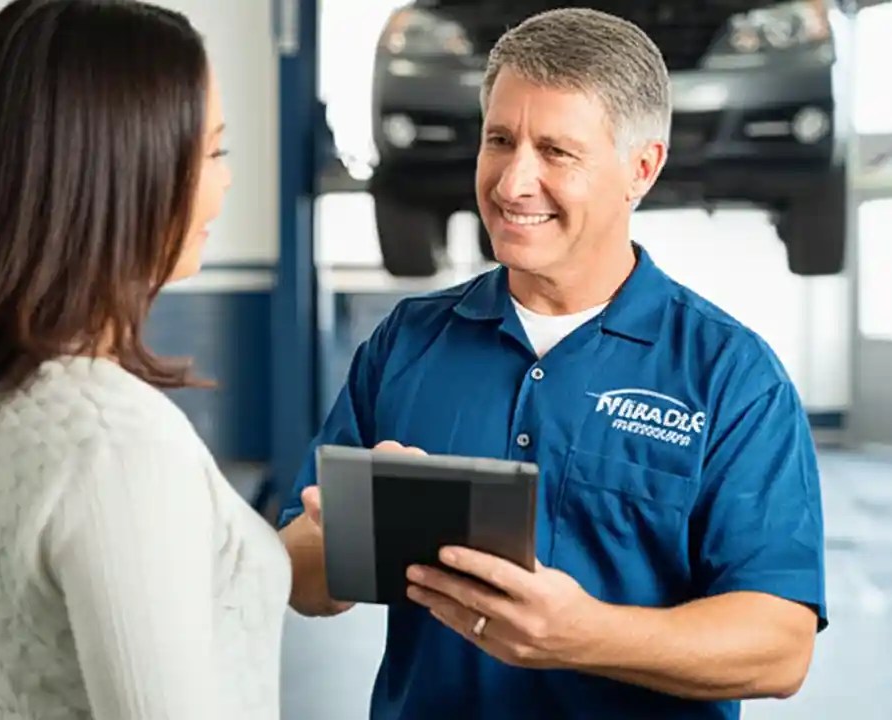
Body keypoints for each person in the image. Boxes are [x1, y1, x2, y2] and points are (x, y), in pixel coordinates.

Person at [278, 8, 825, 720]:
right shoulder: (408, 342)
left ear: (642, 168)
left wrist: (582, 636)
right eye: (499, 141)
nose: (511, 184)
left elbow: (780, 648)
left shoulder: (731, 377)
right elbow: (296, 577)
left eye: (556, 152)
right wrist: (343, 534)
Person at [0, 1, 290, 718]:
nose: (223, 182)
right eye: (214, 152)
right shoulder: (119, 445)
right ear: (124, 172)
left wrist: (276, 560)